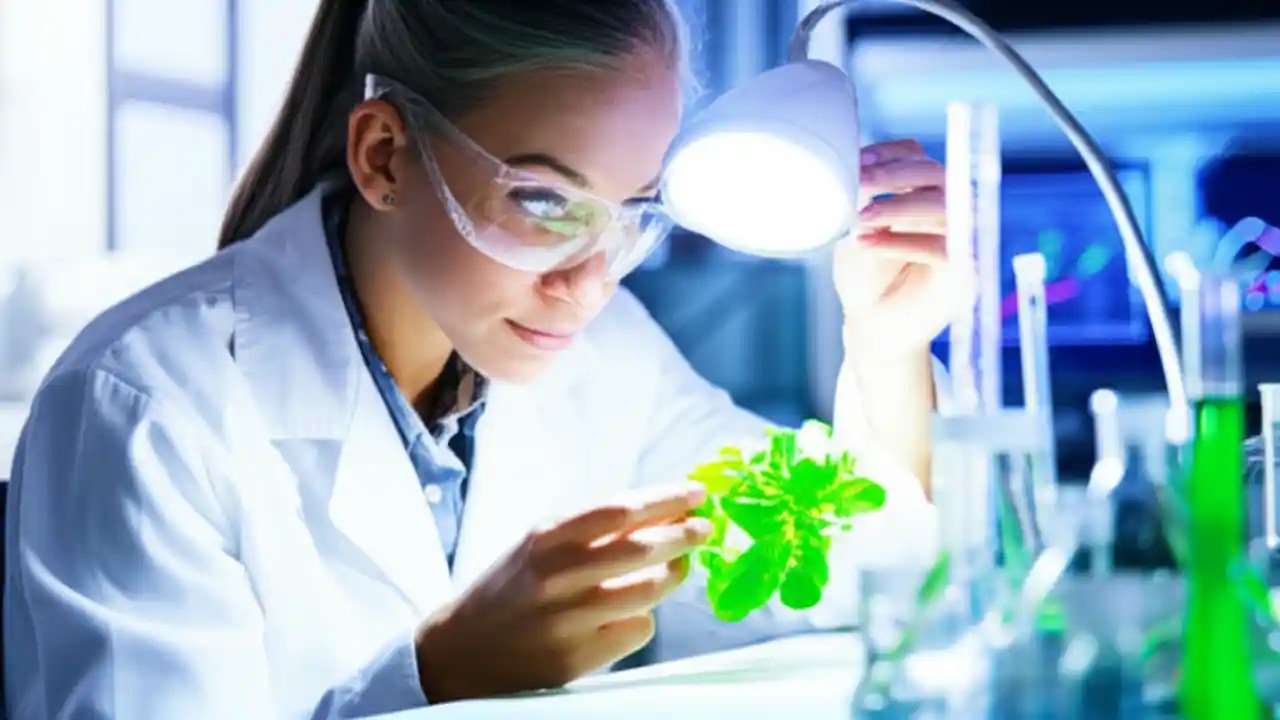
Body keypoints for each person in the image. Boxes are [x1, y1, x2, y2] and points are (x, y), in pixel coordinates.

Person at [3, 1, 961, 717]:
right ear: (384, 157)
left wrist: (887, 347)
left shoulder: (607, 358)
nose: (589, 283)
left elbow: (838, 576)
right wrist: (433, 678)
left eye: (634, 212)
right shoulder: (145, 407)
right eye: (544, 203)